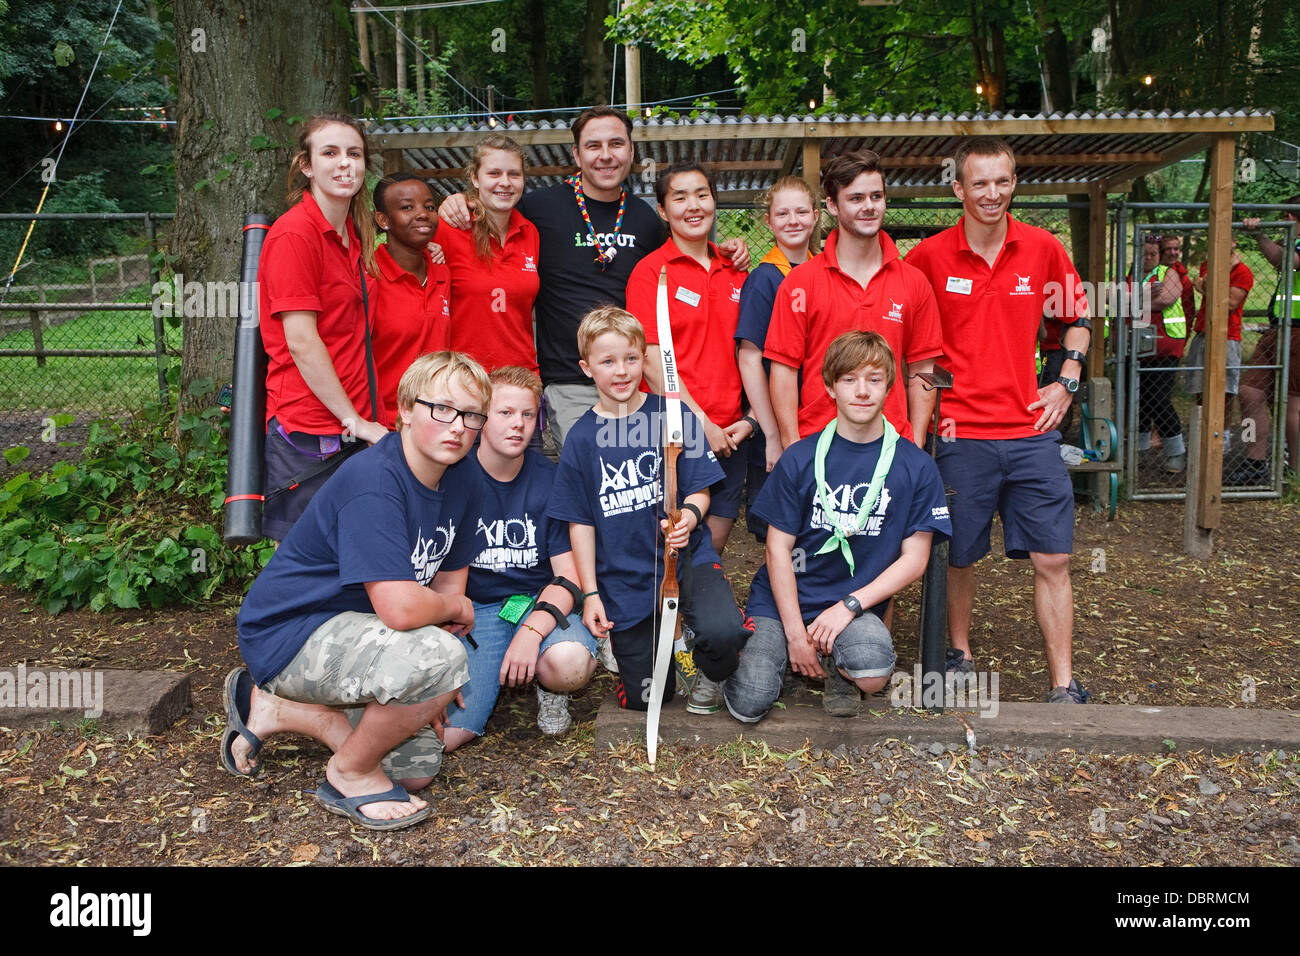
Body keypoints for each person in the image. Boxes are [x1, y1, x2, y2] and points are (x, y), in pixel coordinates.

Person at [224, 352, 490, 831]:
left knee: (417, 771)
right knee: (439, 657)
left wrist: (423, 690)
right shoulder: (374, 480)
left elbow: (448, 580)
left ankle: (277, 709)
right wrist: (437, 645)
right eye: (442, 409)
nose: (458, 427)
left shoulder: (463, 475)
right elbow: (408, 609)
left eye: (472, 416)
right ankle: (347, 772)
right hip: (290, 633)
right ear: (405, 410)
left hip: (360, 632)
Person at [905, 136, 1092, 704]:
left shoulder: (1043, 249)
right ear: (958, 187)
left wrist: (1067, 380)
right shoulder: (928, 257)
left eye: (1002, 181)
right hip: (959, 432)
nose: (992, 194)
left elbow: (1076, 320)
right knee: (958, 552)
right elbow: (911, 346)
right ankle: (958, 653)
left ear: (1015, 183)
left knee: (1053, 555)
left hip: (1030, 431)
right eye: (979, 183)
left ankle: (1063, 682)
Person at [439, 107, 749, 444]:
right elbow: (494, 207)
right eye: (593, 146)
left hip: (630, 379)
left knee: (633, 484)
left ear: (631, 151)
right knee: (594, 477)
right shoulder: (539, 207)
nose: (606, 156)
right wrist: (457, 203)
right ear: (576, 153)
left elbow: (683, 256)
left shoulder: (645, 218)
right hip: (571, 380)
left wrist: (728, 250)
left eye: (616, 144)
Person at [724, 332, 951, 721]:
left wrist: (850, 605)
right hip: (782, 603)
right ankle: (778, 657)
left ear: (889, 386)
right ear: (830, 386)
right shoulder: (800, 457)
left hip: (851, 605)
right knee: (750, 702)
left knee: (873, 673)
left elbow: (915, 560)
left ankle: (835, 665)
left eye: (873, 379)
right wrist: (796, 635)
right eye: (849, 379)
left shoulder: (915, 465)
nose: (862, 391)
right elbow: (777, 550)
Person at [547, 306, 751, 715]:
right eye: (608, 361)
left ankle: (706, 661)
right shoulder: (582, 438)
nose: (621, 371)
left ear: (644, 359)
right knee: (647, 699)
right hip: (625, 575)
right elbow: (580, 523)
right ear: (587, 368)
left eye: (631, 358)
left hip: (686, 559)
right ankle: (657, 654)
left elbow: (700, 491)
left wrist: (689, 518)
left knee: (725, 634)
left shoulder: (672, 416)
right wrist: (590, 594)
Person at [442, 366, 599, 752]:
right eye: (505, 413)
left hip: (535, 600)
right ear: (480, 418)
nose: (518, 425)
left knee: (568, 663)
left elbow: (568, 575)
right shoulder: (452, 476)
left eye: (528, 415)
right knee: (448, 738)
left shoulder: (551, 478)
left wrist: (532, 632)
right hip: (473, 610)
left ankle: (550, 688)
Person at [257, 113, 387, 541]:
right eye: (329, 153)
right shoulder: (296, 234)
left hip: (353, 422)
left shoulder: (353, 232)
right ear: (306, 165)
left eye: (354, 153)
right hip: (312, 428)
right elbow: (301, 341)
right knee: (304, 556)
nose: (344, 163)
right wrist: (354, 420)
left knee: (352, 546)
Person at [764, 151, 945, 450]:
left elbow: (923, 368)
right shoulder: (800, 282)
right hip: (817, 443)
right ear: (833, 206)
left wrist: (917, 441)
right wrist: (792, 443)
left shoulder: (914, 282)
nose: (869, 207)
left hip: (892, 443)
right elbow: (784, 369)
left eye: (876, 196)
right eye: (856, 198)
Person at [626, 162, 750, 554]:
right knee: (673, 545)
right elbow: (648, 359)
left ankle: (701, 612)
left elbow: (751, 354)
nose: (693, 205)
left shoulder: (737, 271)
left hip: (732, 434)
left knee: (711, 552)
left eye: (702, 194)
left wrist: (745, 422)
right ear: (663, 210)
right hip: (674, 430)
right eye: (679, 197)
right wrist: (700, 423)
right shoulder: (650, 272)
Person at [734, 176, 819, 541]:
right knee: (778, 527)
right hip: (776, 420)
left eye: (802, 211)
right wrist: (770, 434)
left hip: (818, 416)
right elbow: (749, 358)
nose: (793, 220)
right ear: (768, 222)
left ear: (816, 216)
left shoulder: (824, 272)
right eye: (782, 213)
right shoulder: (765, 278)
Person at [434, 134, 541, 375]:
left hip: (521, 378)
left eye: (514, 174)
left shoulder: (529, 232)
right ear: (475, 178)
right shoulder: (449, 228)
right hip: (465, 379)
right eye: (494, 174)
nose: (505, 182)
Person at [369, 173, 452, 426]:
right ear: (383, 219)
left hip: (438, 420)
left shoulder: (443, 274)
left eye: (429, 207)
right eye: (407, 207)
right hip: (385, 425)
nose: (423, 214)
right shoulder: (368, 276)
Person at [1237, 199, 1300, 482]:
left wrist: (1260, 236)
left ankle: (1294, 470)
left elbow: (1289, 262)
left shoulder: (1295, 246)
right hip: (1276, 330)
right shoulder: (1293, 241)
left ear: (1289, 217)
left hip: (1298, 331)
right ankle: (1255, 462)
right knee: (1250, 392)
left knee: (1292, 402)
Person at [1184, 236, 1253, 454]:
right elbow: (1201, 285)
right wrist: (1211, 286)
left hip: (1228, 336)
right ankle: (1200, 433)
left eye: (1230, 240)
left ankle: (1222, 437)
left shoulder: (1243, 271)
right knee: (1200, 387)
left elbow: (1229, 303)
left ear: (1234, 243)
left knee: (1226, 390)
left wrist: (1208, 286)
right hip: (1204, 331)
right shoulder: (1209, 264)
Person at [1128, 235, 1189, 470]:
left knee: (1159, 398)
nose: (1150, 258)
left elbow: (1165, 299)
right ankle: (1139, 450)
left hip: (1166, 345)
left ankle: (1176, 451)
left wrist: (1131, 299)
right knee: (1139, 399)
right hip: (1138, 348)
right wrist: (1141, 296)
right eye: (1145, 254)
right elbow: (1110, 297)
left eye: (1154, 254)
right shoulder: (1131, 275)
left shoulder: (1167, 273)